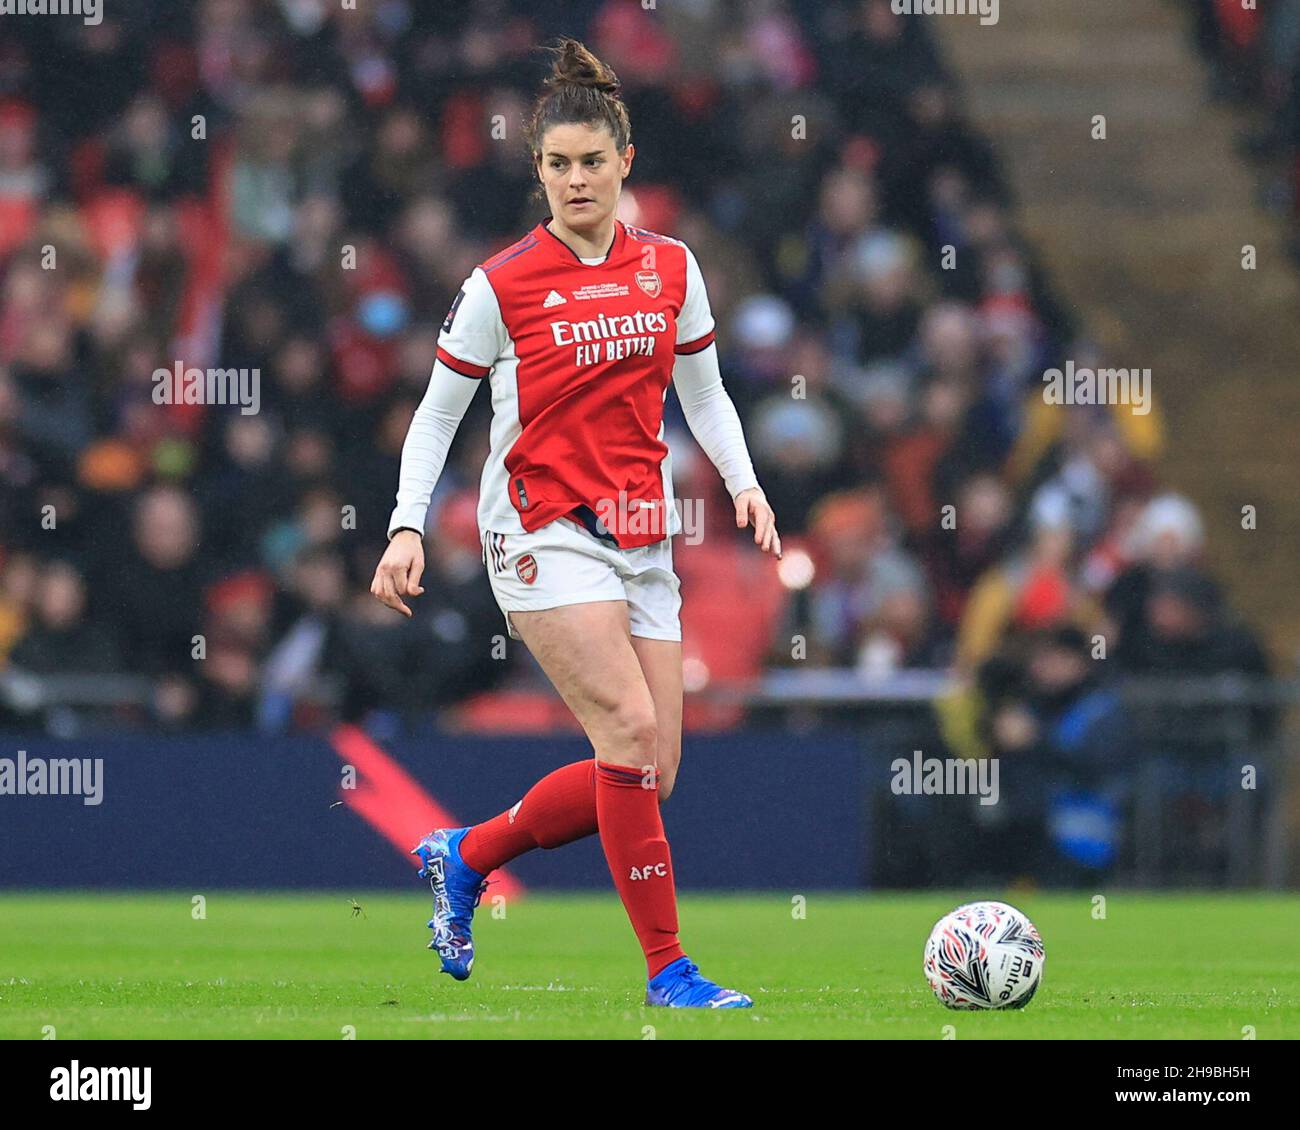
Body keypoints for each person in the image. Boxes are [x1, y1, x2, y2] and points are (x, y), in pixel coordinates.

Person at [370, 39, 779, 1009]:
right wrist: (405, 525)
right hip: (541, 528)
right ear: (538, 172)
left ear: (624, 161)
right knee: (629, 729)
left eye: (591, 160)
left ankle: (468, 851)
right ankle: (667, 968)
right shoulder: (500, 284)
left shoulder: (671, 269)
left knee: (650, 767)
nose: (575, 178)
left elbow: (707, 397)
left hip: (645, 533)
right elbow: (437, 412)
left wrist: (746, 483)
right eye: (557, 164)